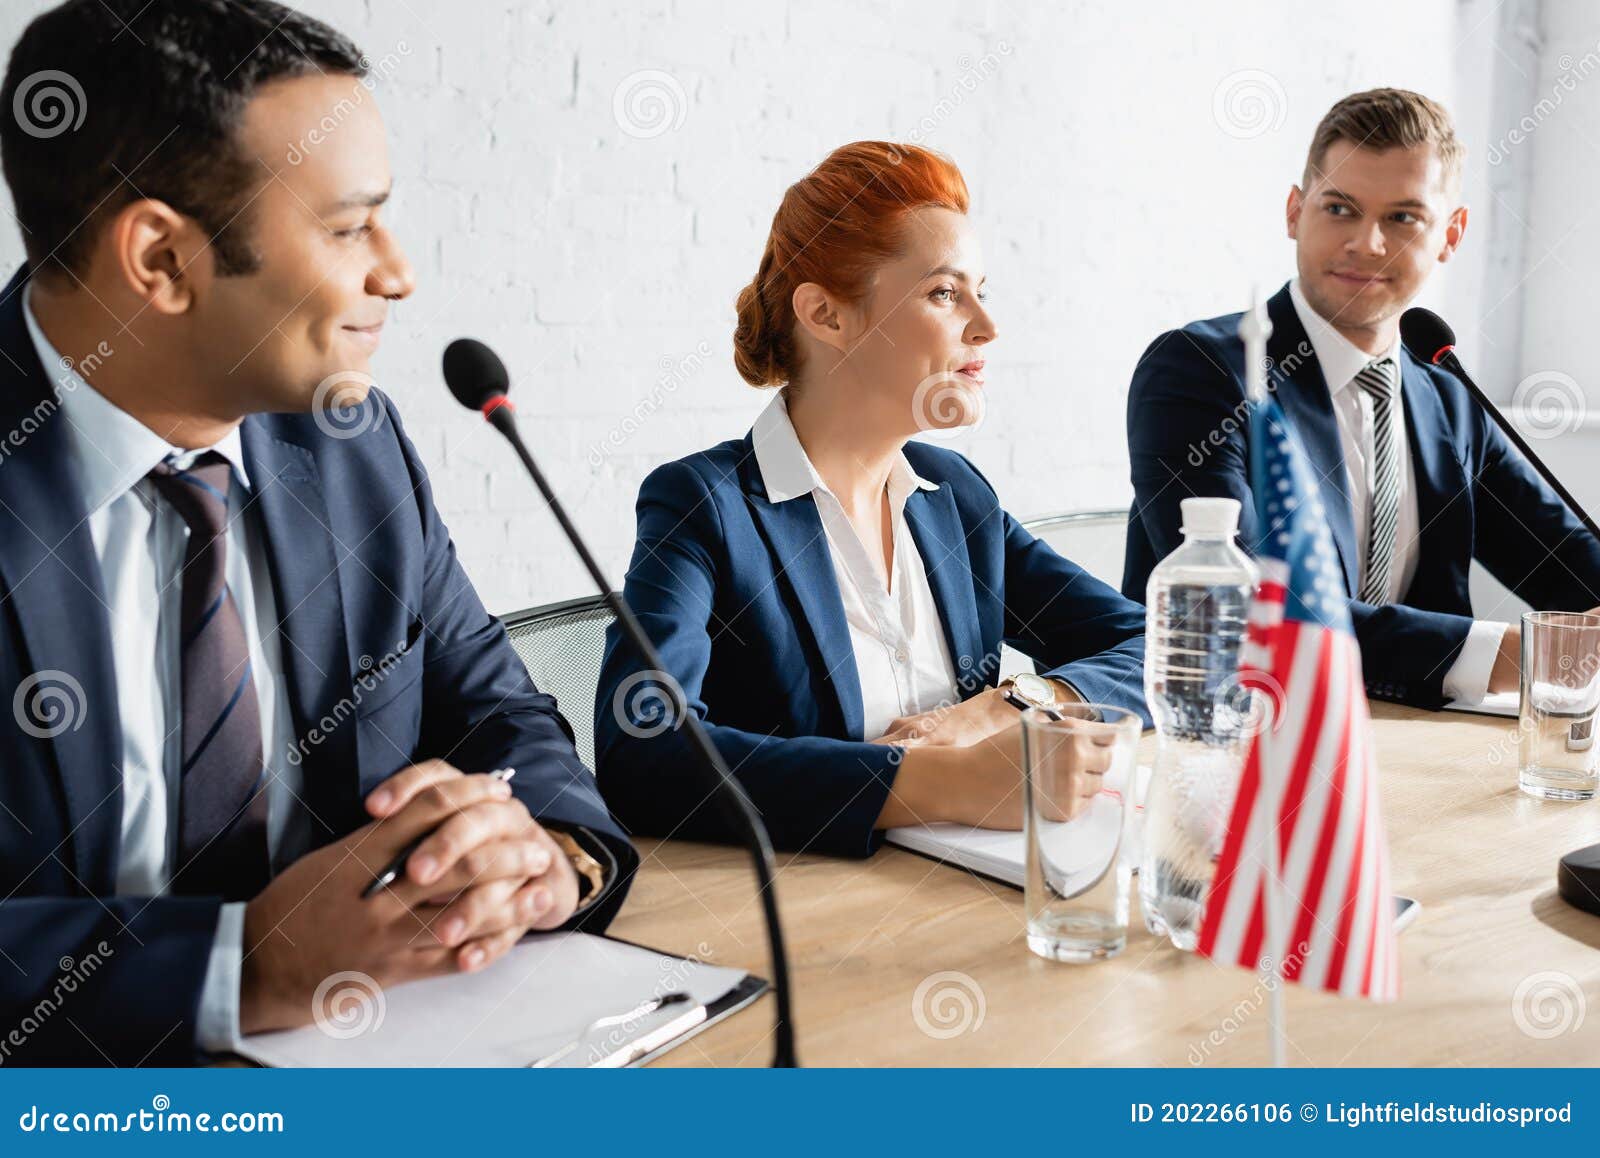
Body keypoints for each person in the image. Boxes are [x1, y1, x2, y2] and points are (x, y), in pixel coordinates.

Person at [0, 0, 634, 1066]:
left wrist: (548, 853)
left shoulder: (352, 442)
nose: (398, 272)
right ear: (160, 259)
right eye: (349, 227)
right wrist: (241, 968)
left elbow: (496, 709)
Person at [593, 141, 1149, 857]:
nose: (986, 325)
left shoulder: (956, 499)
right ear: (827, 315)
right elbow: (644, 752)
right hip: (811, 921)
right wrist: (935, 782)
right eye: (945, 293)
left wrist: (997, 712)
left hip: (977, 895)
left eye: (983, 289)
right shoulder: (706, 506)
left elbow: (1147, 650)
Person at [1122, 88, 1600, 710]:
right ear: (1295, 212)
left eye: (1403, 217)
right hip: (1242, 741)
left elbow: (1564, 562)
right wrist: (1522, 657)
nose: (1367, 243)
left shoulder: (1446, 393)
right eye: (1341, 208)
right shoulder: (1204, 370)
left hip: (1419, 749)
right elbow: (1249, 608)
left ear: (1451, 234)